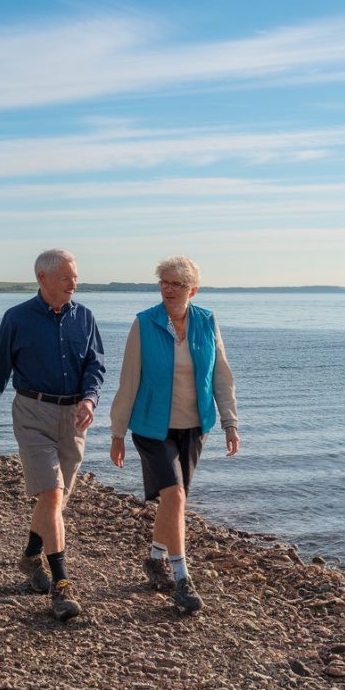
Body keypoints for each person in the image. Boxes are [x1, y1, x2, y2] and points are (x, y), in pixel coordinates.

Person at [0, 248, 104, 620]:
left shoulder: (86, 317)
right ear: (42, 278)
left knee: (55, 503)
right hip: (32, 412)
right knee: (52, 492)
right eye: (66, 278)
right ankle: (62, 586)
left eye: (76, 277)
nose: (74, 284)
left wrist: (91, 400)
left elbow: (96, 364)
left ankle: (31, 557)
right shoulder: (17, 318)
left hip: (75, 416)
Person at [109, 255, 239, 615]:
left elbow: (220, 376)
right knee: (176, 495)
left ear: (192, 290)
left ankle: (154, 558)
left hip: (195, 428)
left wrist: (230, 423)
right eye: (163, 282)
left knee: (172, 501)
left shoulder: (207, 322)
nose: (168, 289)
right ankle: (182, 578)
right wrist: (117, 432)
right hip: (152, 427)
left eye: (176, 284)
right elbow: (129, 380)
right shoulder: (144, 323)